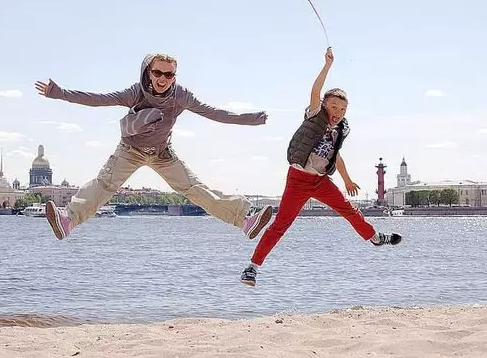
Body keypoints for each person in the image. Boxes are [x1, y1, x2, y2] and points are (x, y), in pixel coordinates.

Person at [34, 53, 273, 241]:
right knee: (104, 185)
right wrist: (60, 93)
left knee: (195, 188)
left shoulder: (181, 96)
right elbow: (100, 99)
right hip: (129, 151)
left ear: (174, 76)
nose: (163, 79)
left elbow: (213, 113)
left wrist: (251, 119)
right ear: (148, 72)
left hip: (162, 154)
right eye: (158, 72)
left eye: (169, 75)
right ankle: (67, 221)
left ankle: (245, 220)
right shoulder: (135, 92)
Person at [240, 47, 402, 287]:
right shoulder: (314, 115)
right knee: (281, 225)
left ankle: (375, 237)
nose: (338, 112)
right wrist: (327, 65)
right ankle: (251, 268)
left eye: (343, 109)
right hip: (298, 180)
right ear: (325, 104)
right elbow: (315, 90)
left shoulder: (339, 130)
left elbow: (336, 156)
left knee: (349, 210)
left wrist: (347, 179)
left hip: (320, 181)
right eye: (334, 106)